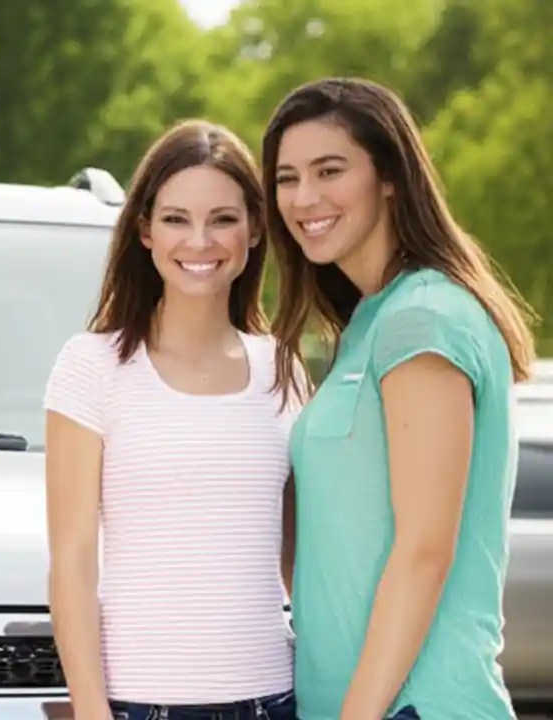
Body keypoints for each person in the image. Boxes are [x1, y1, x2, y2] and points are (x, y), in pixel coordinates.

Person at [263, 77, 538, 720]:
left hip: (417, 706)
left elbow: (424, 550)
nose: (305, 198)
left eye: (330, 170)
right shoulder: (369, 321)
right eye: (286, 178)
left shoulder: (424, 318)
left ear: (389, 175)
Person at [43, 119, 302, 720]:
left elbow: (301, 559)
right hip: (140, 702)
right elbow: (74, 560)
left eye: (223, 219)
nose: (200, 241)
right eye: (176, 219)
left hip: (273, 697)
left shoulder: (283, 370)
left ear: (256, 229)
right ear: (145, 231)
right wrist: (90, 709)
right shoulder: (93, 366)